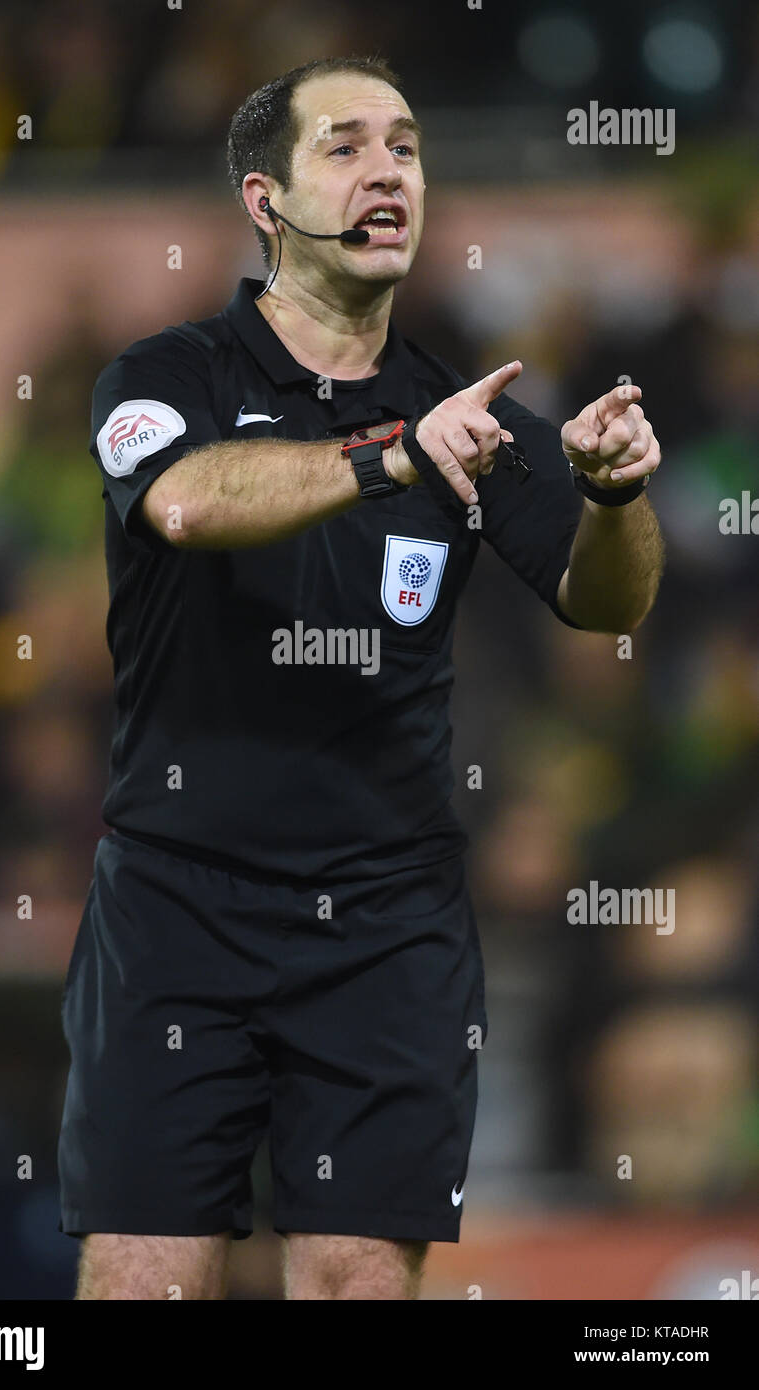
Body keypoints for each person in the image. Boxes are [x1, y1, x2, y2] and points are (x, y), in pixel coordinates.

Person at [57, 55, 664, 1301]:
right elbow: (184, 503)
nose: (387, 169)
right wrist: (388, 464)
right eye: (344, 145)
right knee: (144, 1280)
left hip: (384, 925)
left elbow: (607, 602)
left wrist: (611, 497)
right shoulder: (166, 378)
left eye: (405, 145)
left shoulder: (465, 410)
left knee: (350, 1281)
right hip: (178, 907)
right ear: (264, 200)